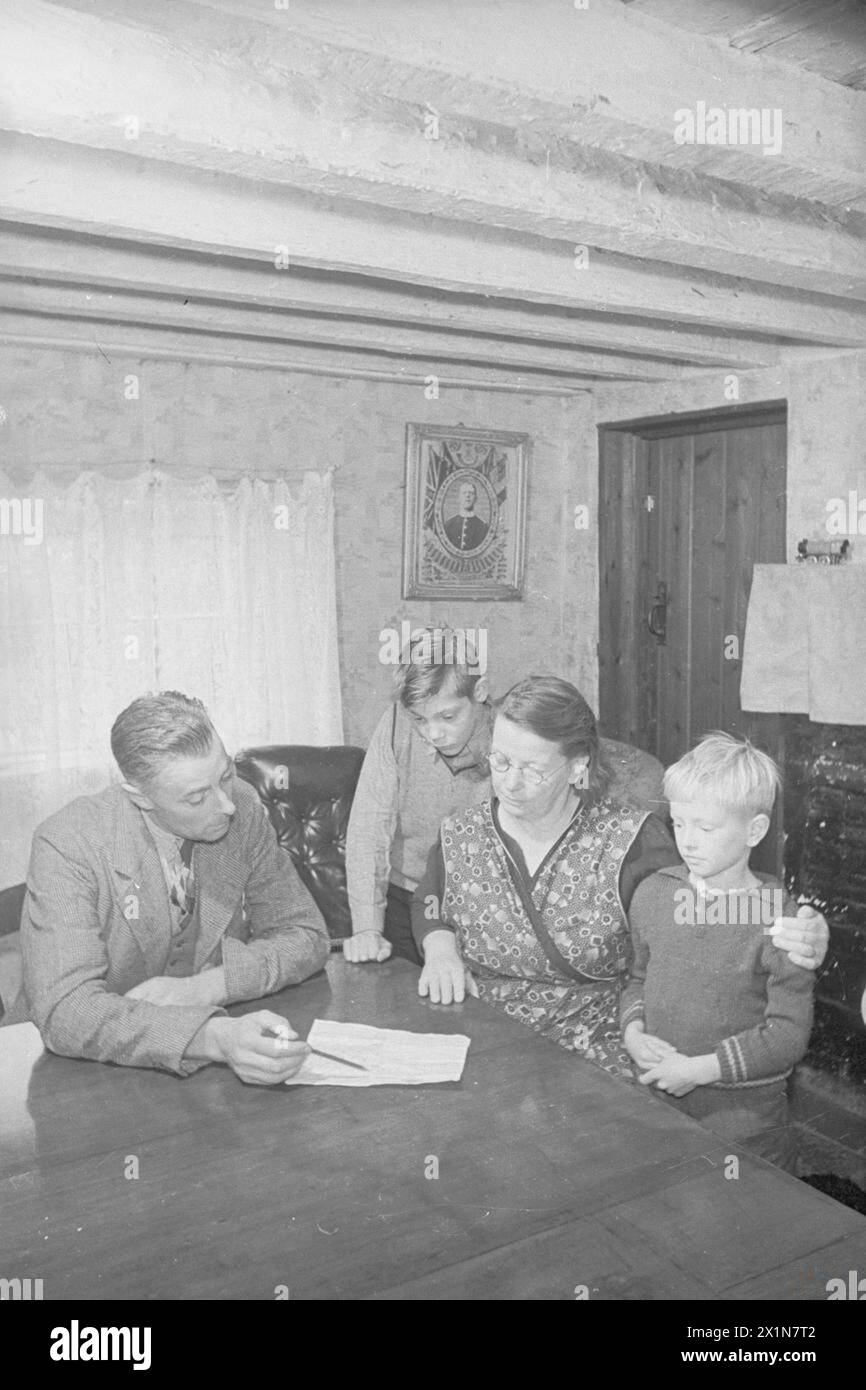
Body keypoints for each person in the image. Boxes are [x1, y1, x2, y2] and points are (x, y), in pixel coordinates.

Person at [411, 676, 829, 1080]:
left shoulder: (631, 841)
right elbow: (430, 900)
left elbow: (711, 898)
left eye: (533, 770)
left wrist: (799, 928)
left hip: (590, 1053)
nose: (510, 783)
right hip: (484, 1039)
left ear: (578, 768)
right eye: (500, 762)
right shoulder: (462, 832)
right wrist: (440, 947)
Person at [5, 692, 329, 1084]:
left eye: (225, 774)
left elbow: (306, 935)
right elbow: (66, 1009)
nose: (226, 804)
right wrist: (208, 1036)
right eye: (197, 797)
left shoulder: (241, 806)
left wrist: (206, 988)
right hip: (76, 1073)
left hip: (204, 1076)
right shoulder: (68, 842)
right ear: (139, 796)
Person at [621, 733, 814, 1168]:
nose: (687, 841)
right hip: (656, 1105)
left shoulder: (781, 921)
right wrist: (634, 1034)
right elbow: (636, 980)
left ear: (755, 830)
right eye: (680, 824)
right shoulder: (654, 893)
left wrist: (698, 1070)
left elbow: (787, 1036)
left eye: (705, 828)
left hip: (744, 1124)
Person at [343, 627, 492, 966]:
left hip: (482, 905)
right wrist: (367, 927)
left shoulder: (509, 734)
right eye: (420, 719)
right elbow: (369, 827)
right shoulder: (397, 722)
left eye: (448, 716)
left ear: (479, 692)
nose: (433, 733)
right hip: (405, 898)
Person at [443, 480, 489, 552]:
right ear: (459, 498)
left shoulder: (483, 527)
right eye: (464, 493)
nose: (467, 495)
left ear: (475, 499)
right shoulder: (448, 525)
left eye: (471, 493)